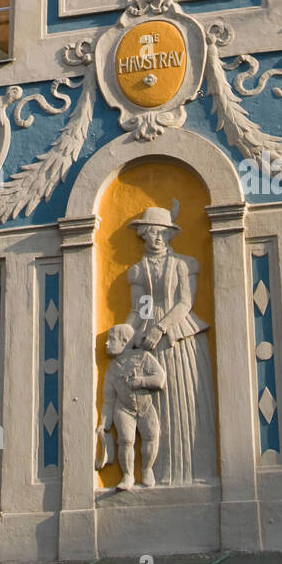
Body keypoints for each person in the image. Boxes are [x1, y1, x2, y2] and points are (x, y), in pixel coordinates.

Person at [126, 207, 216, 485]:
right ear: (143, 234)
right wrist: (128, 334)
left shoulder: (183, 264)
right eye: (152, 232)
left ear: (170, 235)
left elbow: (185, 303)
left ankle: (193, 470)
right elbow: (138, 309)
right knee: (156, 406)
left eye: (162, 232)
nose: (157, 237)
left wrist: (160, 328)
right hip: (149, 339)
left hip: (179, 335)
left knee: (184, 399)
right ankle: (159, 470)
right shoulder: (138, 270)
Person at [98, 322, 165, 488]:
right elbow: (109, 398)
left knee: (151, 435)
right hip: (123, 408)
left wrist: (142, 381)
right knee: (126, 440)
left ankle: (147, 469)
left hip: (145, 405)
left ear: (124, 341)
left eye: (111, 339)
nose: (106, 343)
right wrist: (105, 422)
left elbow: (160, 379)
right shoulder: (112, 368)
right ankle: (127, 476)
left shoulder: (144, 357)